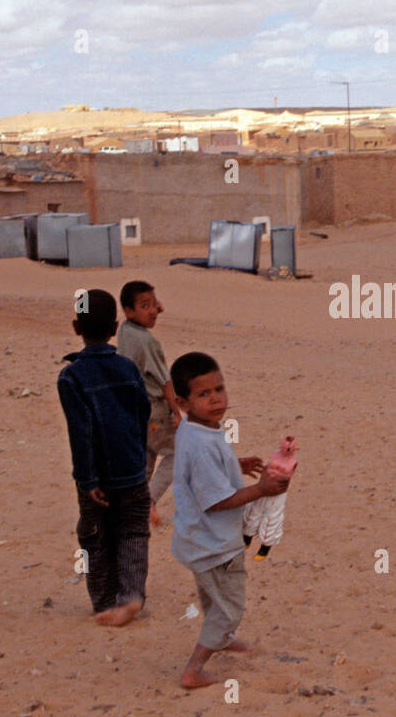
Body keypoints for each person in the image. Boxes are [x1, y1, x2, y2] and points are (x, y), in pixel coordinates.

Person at [169, 351, 289, 688]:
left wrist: (234, 464)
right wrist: (262, 489)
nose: (216, 399)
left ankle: (221, 636)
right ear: (182, 401)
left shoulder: (199, 429)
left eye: (219, 389)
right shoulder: (201, 441)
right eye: (203, 394)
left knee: (213, 599)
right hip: (214, 544)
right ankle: (194, 669)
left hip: (198, 539)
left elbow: (202, 471)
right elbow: (218, 500)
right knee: (229, 607)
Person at [56, 288, 151, 627]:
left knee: (95, 536)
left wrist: (87, 479)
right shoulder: (127, 368)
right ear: (114, 327)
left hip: (97, 478)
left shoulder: (71, 376)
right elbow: (143, 415)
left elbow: (80, 433)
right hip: (132, 471)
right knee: (133, 533)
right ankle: (132, 596)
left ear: (75, 327)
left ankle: (103, 602)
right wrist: (140, 462)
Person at [117, 280, 182, 527]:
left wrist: (152, 306)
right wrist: (176, 412)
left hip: (135, 409)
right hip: (155, 409)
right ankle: (148, 501)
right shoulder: (148, 342)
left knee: (146, 458)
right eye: (146, 306)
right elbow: (165, 380)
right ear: (129, 310)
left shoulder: (125, 330)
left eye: (154, 304)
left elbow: (148, 312)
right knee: (178, 453)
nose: (154, 310)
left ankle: (134, 508)